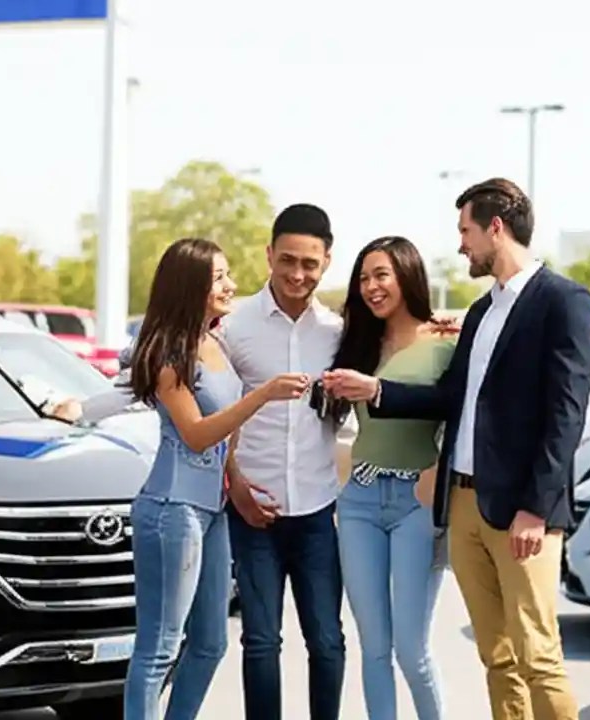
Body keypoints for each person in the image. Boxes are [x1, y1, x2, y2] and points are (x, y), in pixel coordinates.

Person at [324, 178, 590, 720]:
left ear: (496, 227)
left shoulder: (563, 301)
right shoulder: (479, 312)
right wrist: (377, 390)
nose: (462, 244)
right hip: (464, 504)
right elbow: (452, 399)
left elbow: (566, 414)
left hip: (521, 511)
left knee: (537, 654)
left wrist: (535, 509)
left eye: (466, 231)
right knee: (496, 656)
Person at [121, 237, 311, 720]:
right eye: (220, 278)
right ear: (190, 288)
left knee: (210, 642)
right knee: (159, 646)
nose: (232, 285)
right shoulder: (167, 352)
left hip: (212, 508)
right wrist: (264, 394)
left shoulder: (215, 342)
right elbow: (198, 435)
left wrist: (239, 481)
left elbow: (224, 439)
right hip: (171, 509)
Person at [217, 204, 348, 720]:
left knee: (328, 641)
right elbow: (217, 413)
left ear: (327, 262)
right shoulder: (234, 327)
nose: (298, 274)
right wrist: (235, 485)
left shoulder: (336, 334)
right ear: (268, 255)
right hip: (253, 509)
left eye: (310, 264)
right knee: (260, 642)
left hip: (318, 510)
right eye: (287, 260)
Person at [330, 236, 454, 720]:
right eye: (363, 278)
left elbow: (467, 419)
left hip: (414, 503)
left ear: (406, 274)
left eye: (381, 274)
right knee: (374, 647)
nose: (371, 287)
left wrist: (438, 471)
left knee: (410, 648)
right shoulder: (360, 343)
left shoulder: (446, 342)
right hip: (358, 501)